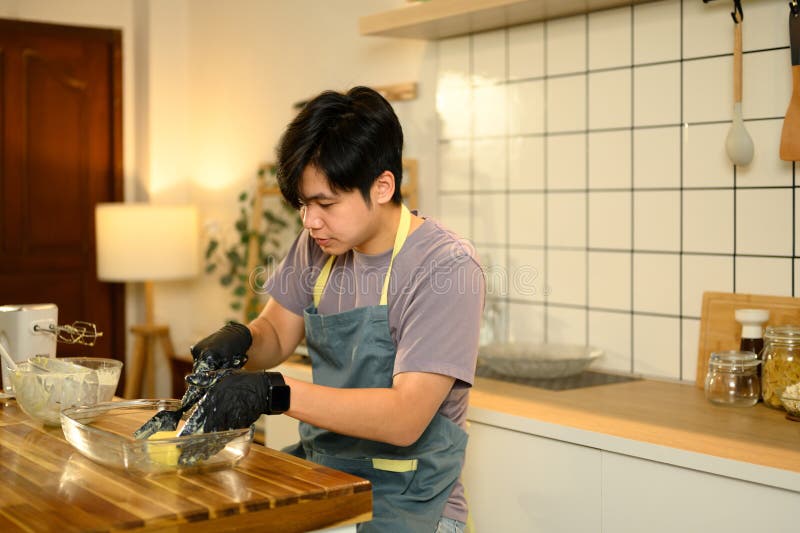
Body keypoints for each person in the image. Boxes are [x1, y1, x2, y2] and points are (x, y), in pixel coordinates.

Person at [182, 86, 485, 533]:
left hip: (409, 502)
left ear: (383, 186)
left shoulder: (445, 266)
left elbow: (405, 418)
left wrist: (275, 393)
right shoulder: (319, 244)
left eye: (325, 203)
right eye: (303, 204)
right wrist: (241, 341)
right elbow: (279, 332)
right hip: (325, 478)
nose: (310, 221)